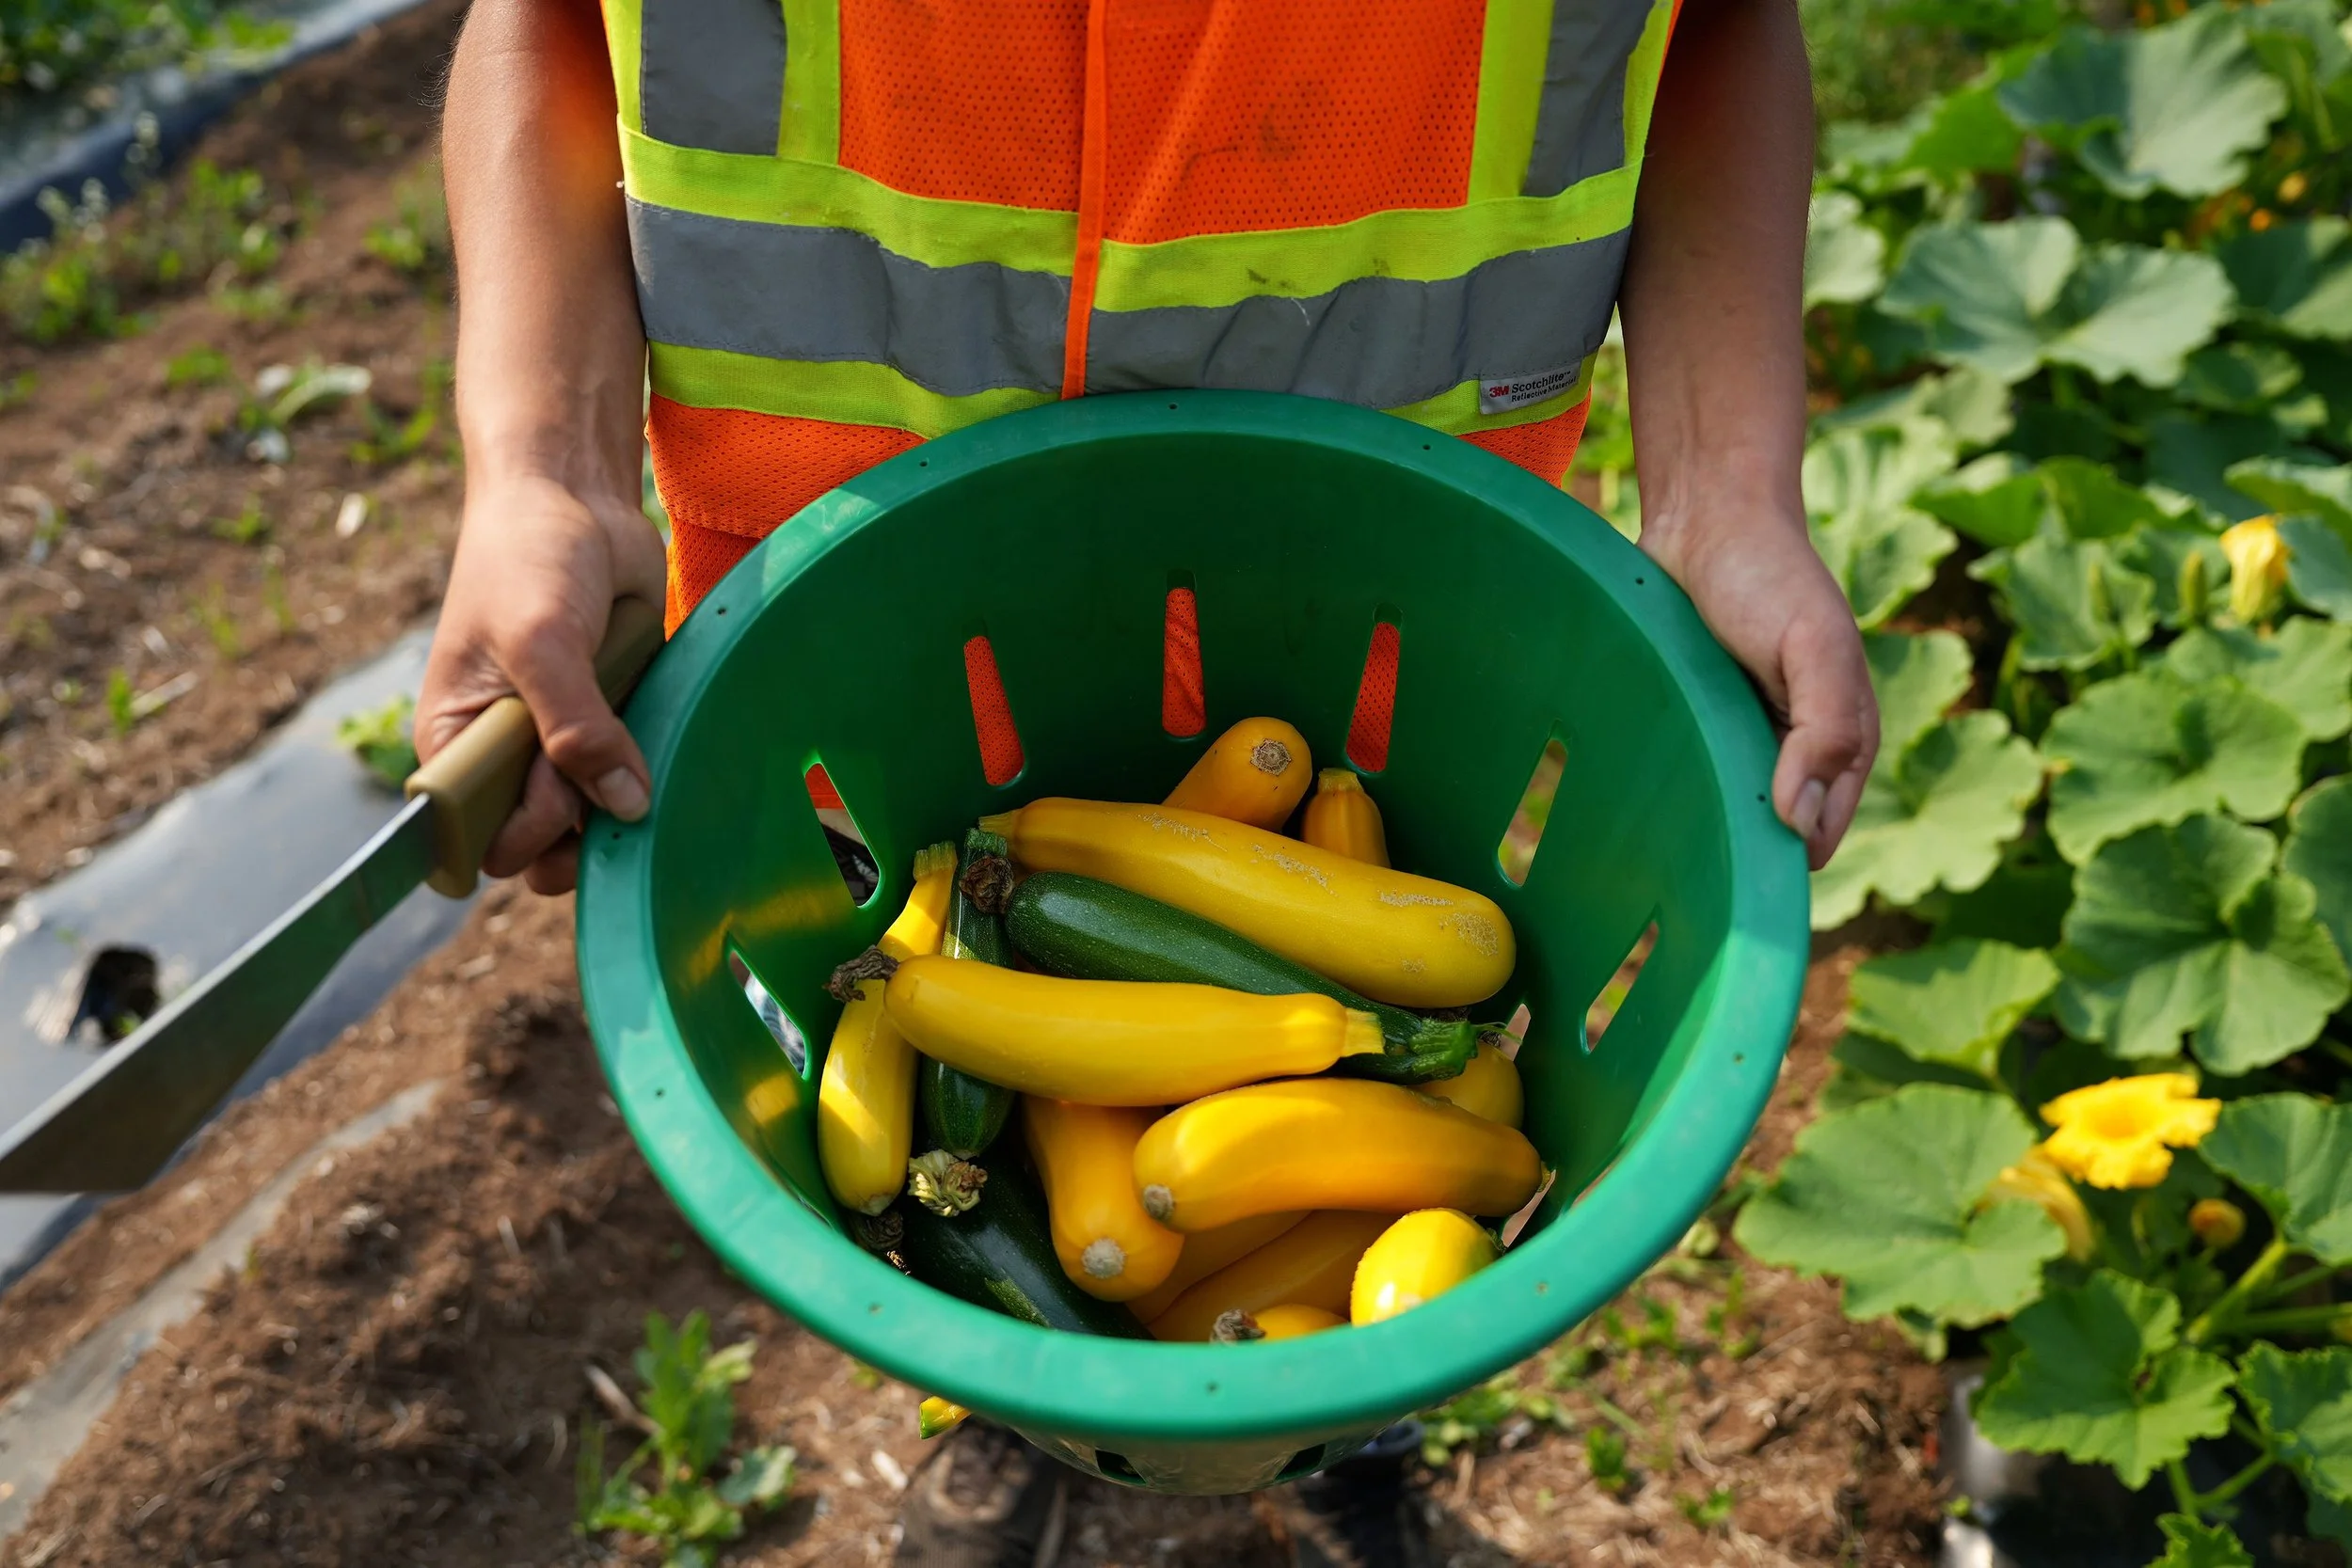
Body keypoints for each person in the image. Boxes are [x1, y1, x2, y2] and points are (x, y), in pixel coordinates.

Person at [420, 0, 1871, 1560]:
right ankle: (999, 1391)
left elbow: (1716, 21)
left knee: (1168, 1155)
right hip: (867, 647)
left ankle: (1349, 1430)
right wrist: (543, 463)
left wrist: (1727, 482)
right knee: (972, 1138)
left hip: (1383, 616)